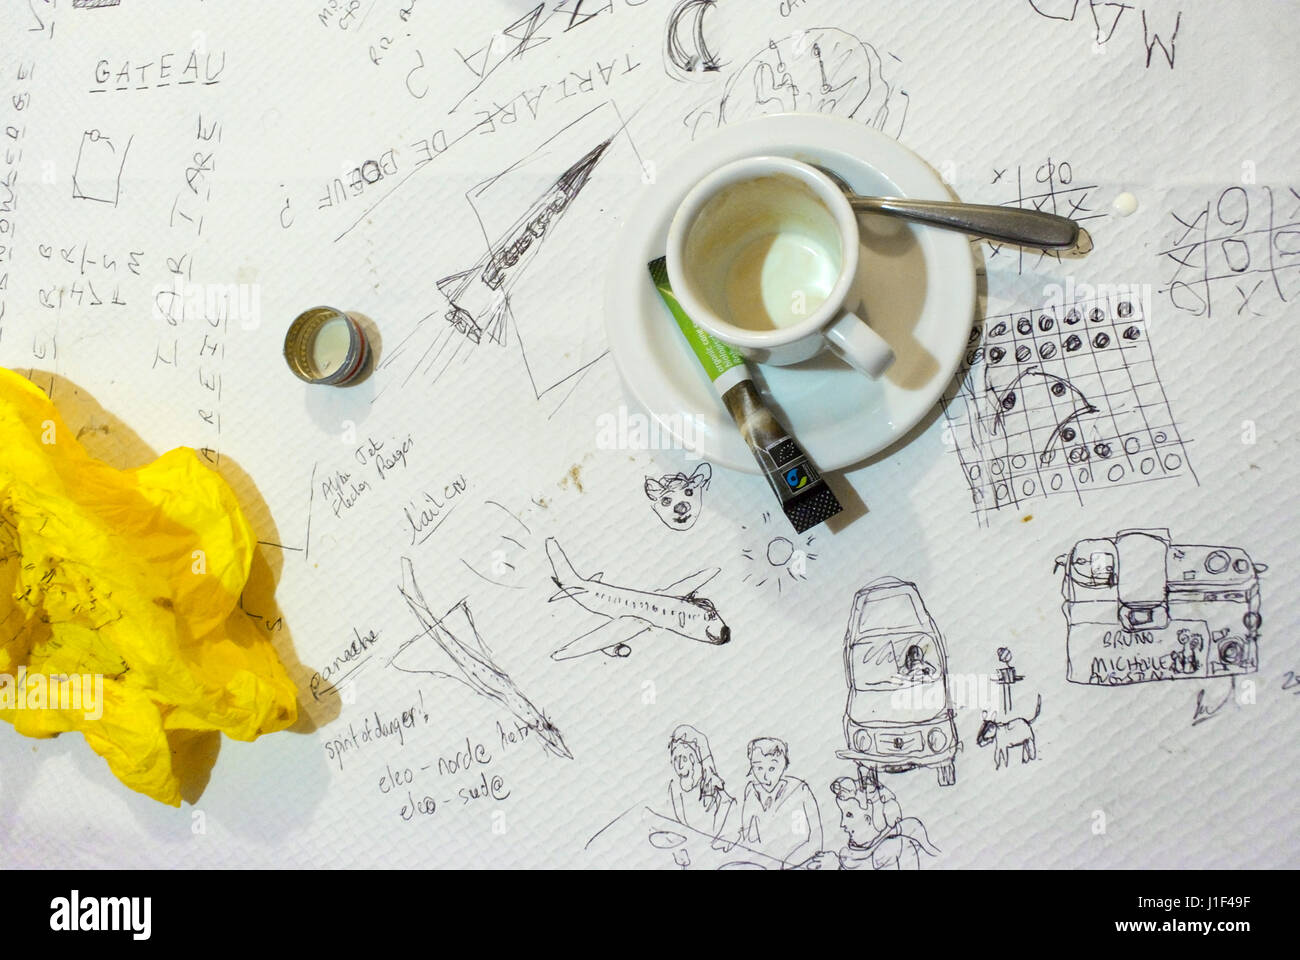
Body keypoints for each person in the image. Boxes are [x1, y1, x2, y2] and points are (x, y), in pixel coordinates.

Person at [795, 774, 938, 870]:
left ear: (871, 819)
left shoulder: (893, 847)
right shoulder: (854, 854)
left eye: (849, 815)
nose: (842, 824)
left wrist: (835, 863)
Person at [729, 737, 822, 866]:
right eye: (759, 768)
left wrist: (786, 863)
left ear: (784, 766)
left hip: (794, 861)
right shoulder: (751, 790)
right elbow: (747, 834)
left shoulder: (798, 790)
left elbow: (812, 838)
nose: (764, 776)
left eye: (772, 768)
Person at [666, 724, 734, 840]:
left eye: (685, 759)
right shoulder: (675, 787)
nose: (680, 766)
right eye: (676, 759)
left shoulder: (719, 796)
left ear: (699, 761)